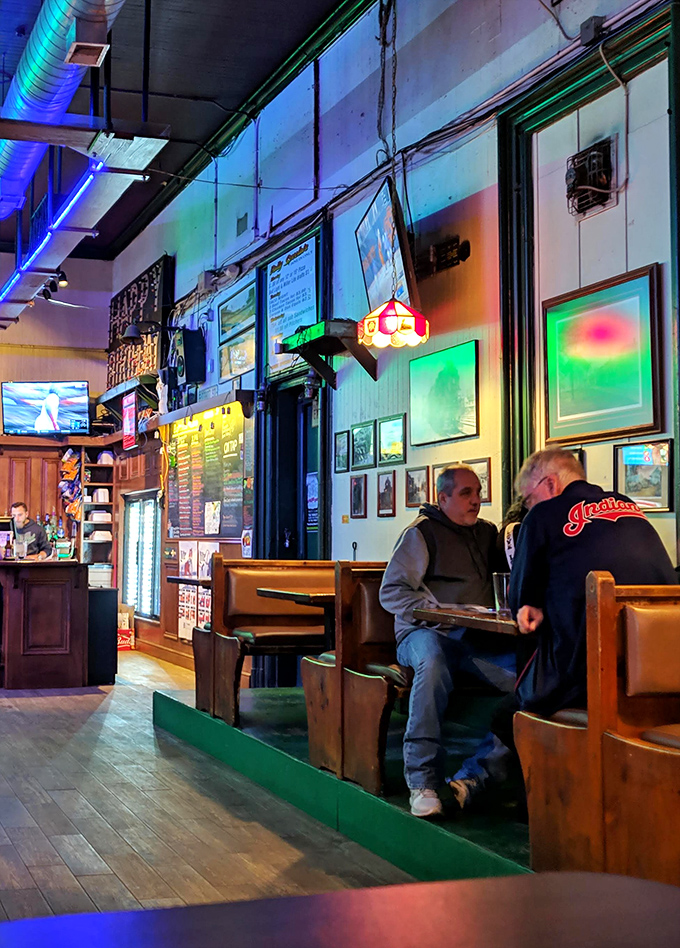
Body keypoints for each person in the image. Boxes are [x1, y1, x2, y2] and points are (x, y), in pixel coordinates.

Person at [379, 464, 516, 818]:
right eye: (466, 493)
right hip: (420, 634)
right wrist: (434, 612)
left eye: (478, 493)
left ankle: (479, 774)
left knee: (530, 676)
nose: (476, 501)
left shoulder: (488, 534)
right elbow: (391, 592)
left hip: (473, 640)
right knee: (433, 662)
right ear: (443, 498)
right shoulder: (421, 534)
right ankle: (422, 780)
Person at [508, 448, 677, 718]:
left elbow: (520, 600)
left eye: (528, 499)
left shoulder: (543, 515)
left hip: (587, 679)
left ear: (550, 483)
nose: (528, 507)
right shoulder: (630, 506)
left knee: (508, 711)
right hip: (662, 673)